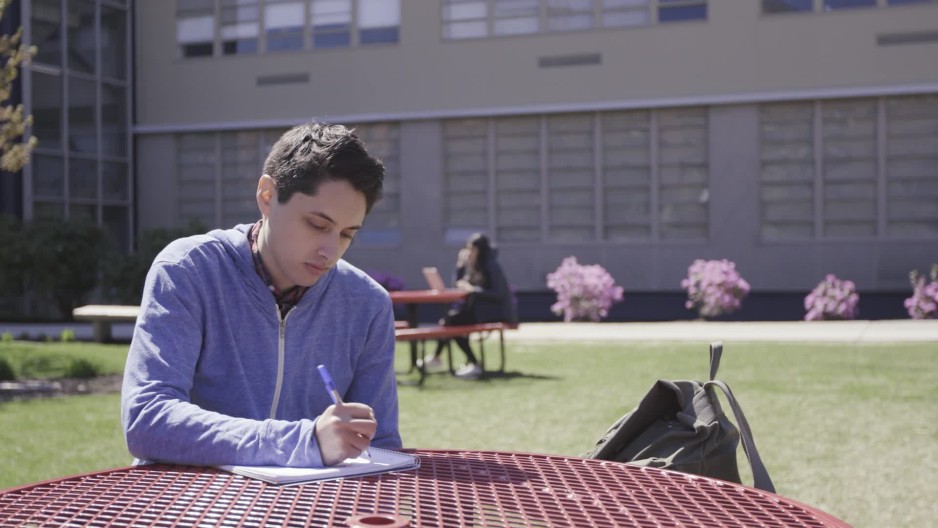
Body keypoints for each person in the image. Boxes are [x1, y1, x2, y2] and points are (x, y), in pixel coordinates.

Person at [121, 122, 401, 468]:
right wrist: (305, 442)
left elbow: (384, 448)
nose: (330, 251)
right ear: (267, 197)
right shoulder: (187, 270)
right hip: (193, 508)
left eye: (347, 234)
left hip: (310, 513)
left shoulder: (367, 304)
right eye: (317, 225)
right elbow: (147, 419)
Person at [422, 233, 516, 379]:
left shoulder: (491, 266)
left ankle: (465, 362)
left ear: (480, 250)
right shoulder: (476, 267)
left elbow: (497, 294)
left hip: (495, 313)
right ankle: (444, 359)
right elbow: (457, 285)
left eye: (471, 249)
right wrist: (460, 266)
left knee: (451, 322)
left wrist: (472, 290)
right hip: (479, 312)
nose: (468, 253)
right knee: (450, 321)